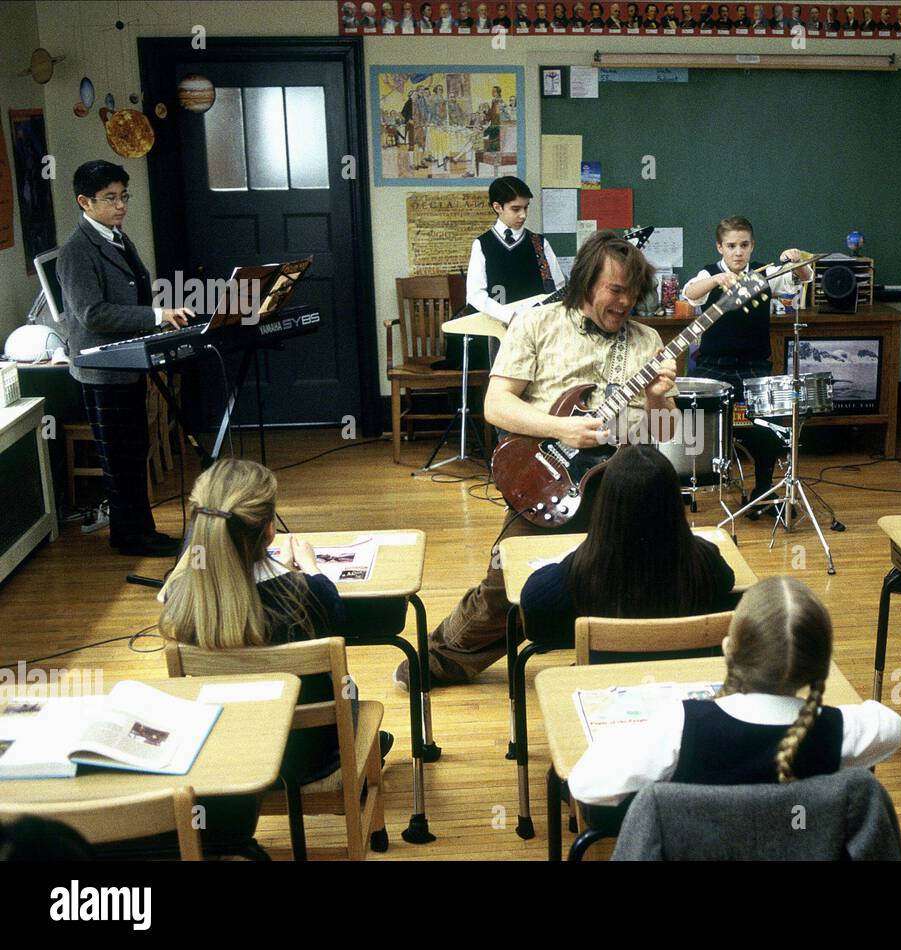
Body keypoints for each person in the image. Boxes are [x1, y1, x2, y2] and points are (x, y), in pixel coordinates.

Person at [395, 232, 678, 688]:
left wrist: (659, 400)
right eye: (616, 291)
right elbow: (496, 406)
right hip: (549, 474)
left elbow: (664, 434)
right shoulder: (537, 324)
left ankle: (616, 656)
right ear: (588, 282)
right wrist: (562, 429)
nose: (625, 303)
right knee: (507, 586)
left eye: (632, 293)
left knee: (649, 575)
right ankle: (441, 658)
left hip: (622, 488)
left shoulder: (647, 341)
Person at [158, 460, 393, 846]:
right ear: (269, 529)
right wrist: (312, 568)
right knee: (347, 686)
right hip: (310, 758)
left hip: (227, 756)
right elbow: (337, 620)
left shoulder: (179, 600)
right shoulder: (310, 594)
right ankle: (368, 753)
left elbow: (227, 588)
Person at [567, 576, 901, 805]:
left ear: (729, 649)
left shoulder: (680, 725)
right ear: (821, 665)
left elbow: (584, 783)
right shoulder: (841, 731)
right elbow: (891, 726)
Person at [57, 160, 194, 558]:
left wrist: (154, 326)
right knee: (119, 457)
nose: (121, 206)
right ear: (85, 202)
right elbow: (92, 314)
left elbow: (130, 291)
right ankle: (131, 537)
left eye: (124, 196)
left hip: (127, 362)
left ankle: (137, 531)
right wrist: (156, 315)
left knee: (133, 451)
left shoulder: (115, 236)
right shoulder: (76, 250)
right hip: (103, 371)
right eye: (111, 198)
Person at [520, 446, 737, 645]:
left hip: (607, 683)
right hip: (680, 680)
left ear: (606, 505)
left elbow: (532, 605)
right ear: (673, 502)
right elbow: (727, 581)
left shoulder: (580, 572)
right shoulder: (703, 561)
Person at [681, 215, 813, 519]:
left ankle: (762, 492)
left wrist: (798, 259)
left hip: (754, 367)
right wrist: (716, 281)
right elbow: (689, 294)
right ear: (720, 247)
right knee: (690, 421)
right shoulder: (709, 272)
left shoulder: (764, 273)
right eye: (731, 246)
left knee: (765, 428)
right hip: (713, 367)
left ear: (752, 246)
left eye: (744, 245)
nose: (738, 252)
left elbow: (802, 277)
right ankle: (687, 487)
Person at [467, 176, 565, 329]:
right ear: (497, 207)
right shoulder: (482, 245)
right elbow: (475, 295)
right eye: (516, 209)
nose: (523, 215)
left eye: (525, 207)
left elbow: (558, 287)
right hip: (496, 330)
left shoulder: (540, 243)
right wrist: (510, 317)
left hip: (536, 328)